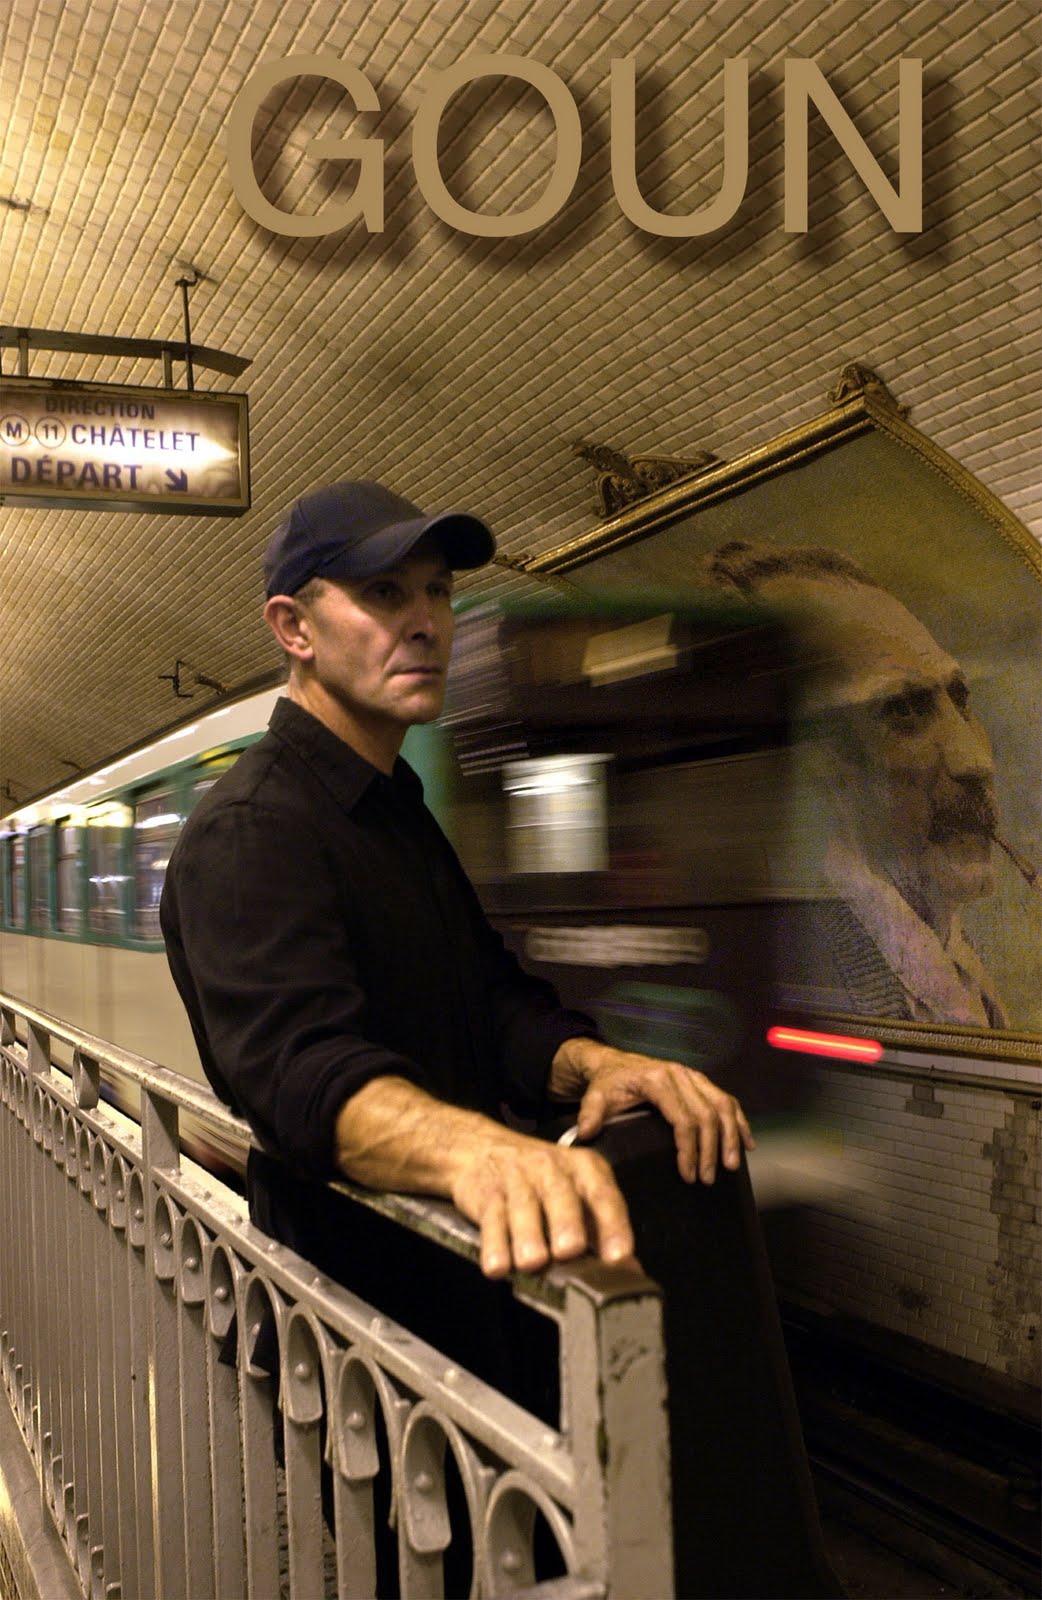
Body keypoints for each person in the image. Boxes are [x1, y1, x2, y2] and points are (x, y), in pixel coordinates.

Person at [160, 481, 754, 1332]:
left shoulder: (395, 811)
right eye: (383, 594)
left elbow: (491, 1005)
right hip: (352, 1346)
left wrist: (596, 1065)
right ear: (294, 629)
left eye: (438, 590)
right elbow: (300, 1073)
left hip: (455, 1299)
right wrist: (478, 1150)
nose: (427, 621)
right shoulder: (252, 832)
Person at [703, 539, 1008, 1028]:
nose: (975, 762)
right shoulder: (800, 979)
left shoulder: (948, 947)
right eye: (904, 710)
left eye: (960, 697)